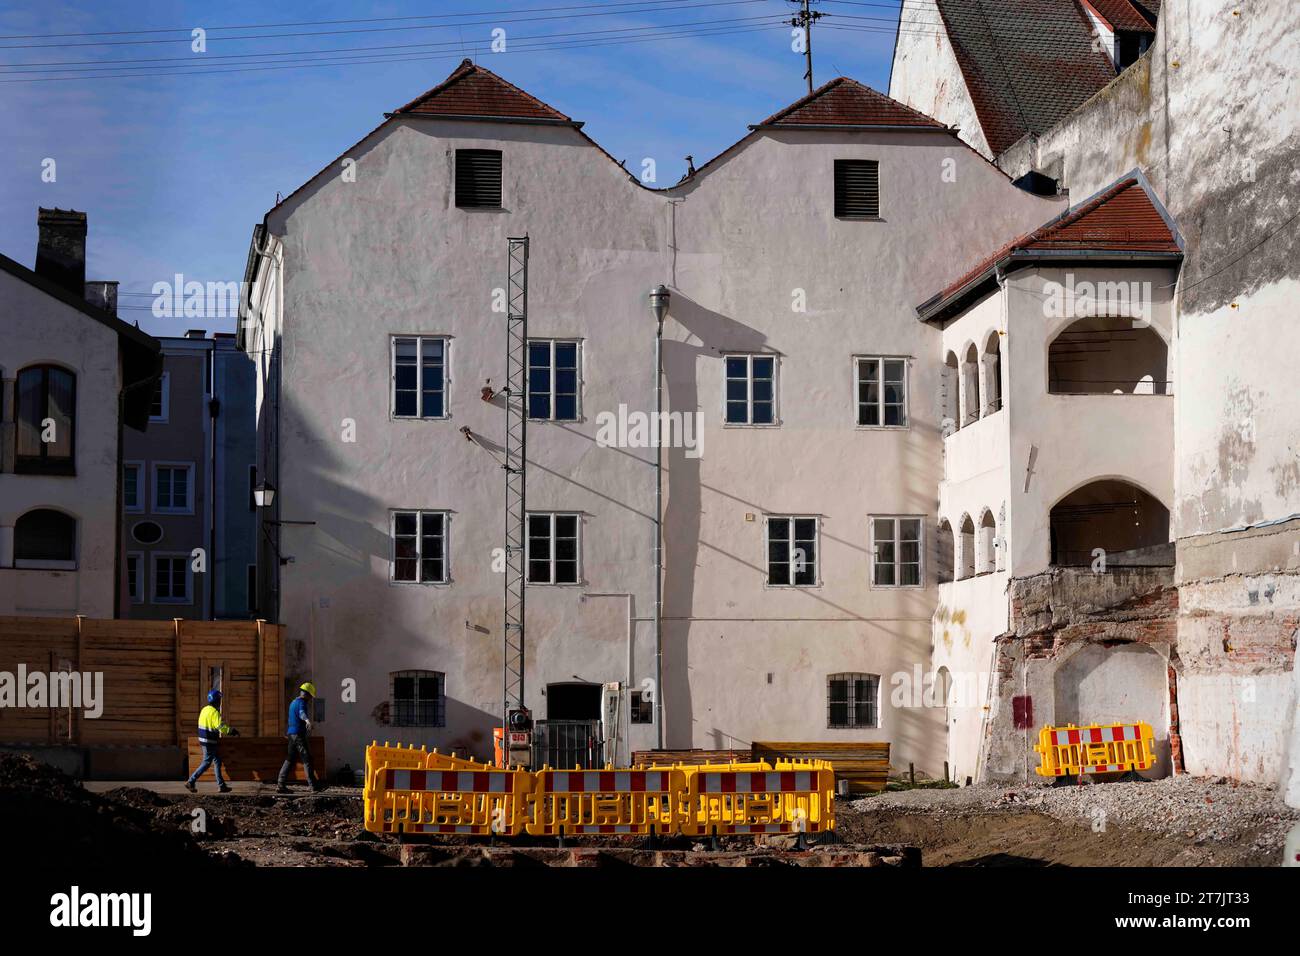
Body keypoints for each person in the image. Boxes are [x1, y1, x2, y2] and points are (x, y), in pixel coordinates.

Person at [186, 689, 239, 793]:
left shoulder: (204, 709)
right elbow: (220, 727)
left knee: (217, 761)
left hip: (204, 740)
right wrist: (230, 731)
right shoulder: (214, 712)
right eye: (219, 700)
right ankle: (191, 781)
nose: (220, 702)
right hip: (209, 741)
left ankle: (221, 785)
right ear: (216, 700)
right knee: (206, 762)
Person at [277, 681, 324, 793]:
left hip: (291, 734)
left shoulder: (293, 702)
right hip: (298, 735)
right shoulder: (302, 702)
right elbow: (302, 713)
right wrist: (307, 720)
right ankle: (313, 786)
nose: (310, 699)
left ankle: (280, 784)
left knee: (290, 759)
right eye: (310, 696)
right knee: (307, 759)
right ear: (306, 694)